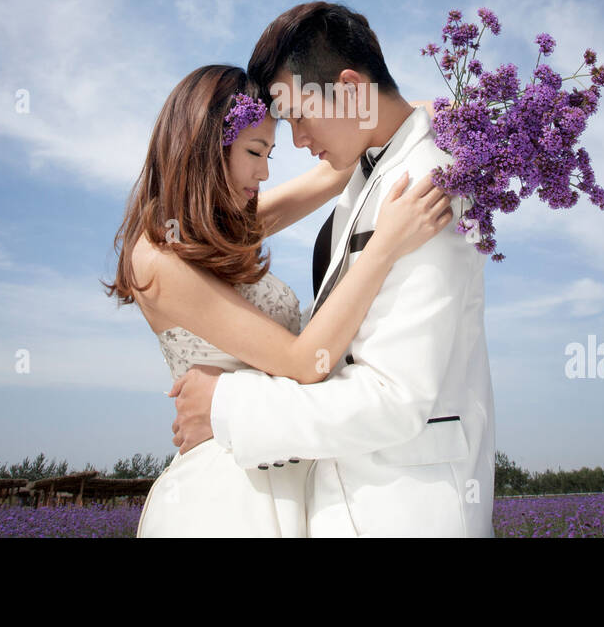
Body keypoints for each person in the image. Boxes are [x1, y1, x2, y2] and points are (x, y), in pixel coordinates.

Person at [170, 2, 497, 537]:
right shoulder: (367, 173)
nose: (296, 140)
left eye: (297, 116)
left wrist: (227, 404)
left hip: (402, 516)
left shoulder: (427, 182)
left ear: (347, 89)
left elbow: (395, 399)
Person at [104, 63, 453, 536]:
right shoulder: (158, 257)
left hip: (283, 467)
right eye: (254, 151)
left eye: (268, 152)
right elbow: (304, 361)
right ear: (204, 146)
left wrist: (421, 114)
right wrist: (385, 245)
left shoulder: (218, 233)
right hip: (226, 497)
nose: (264, 172)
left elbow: (331, 175)